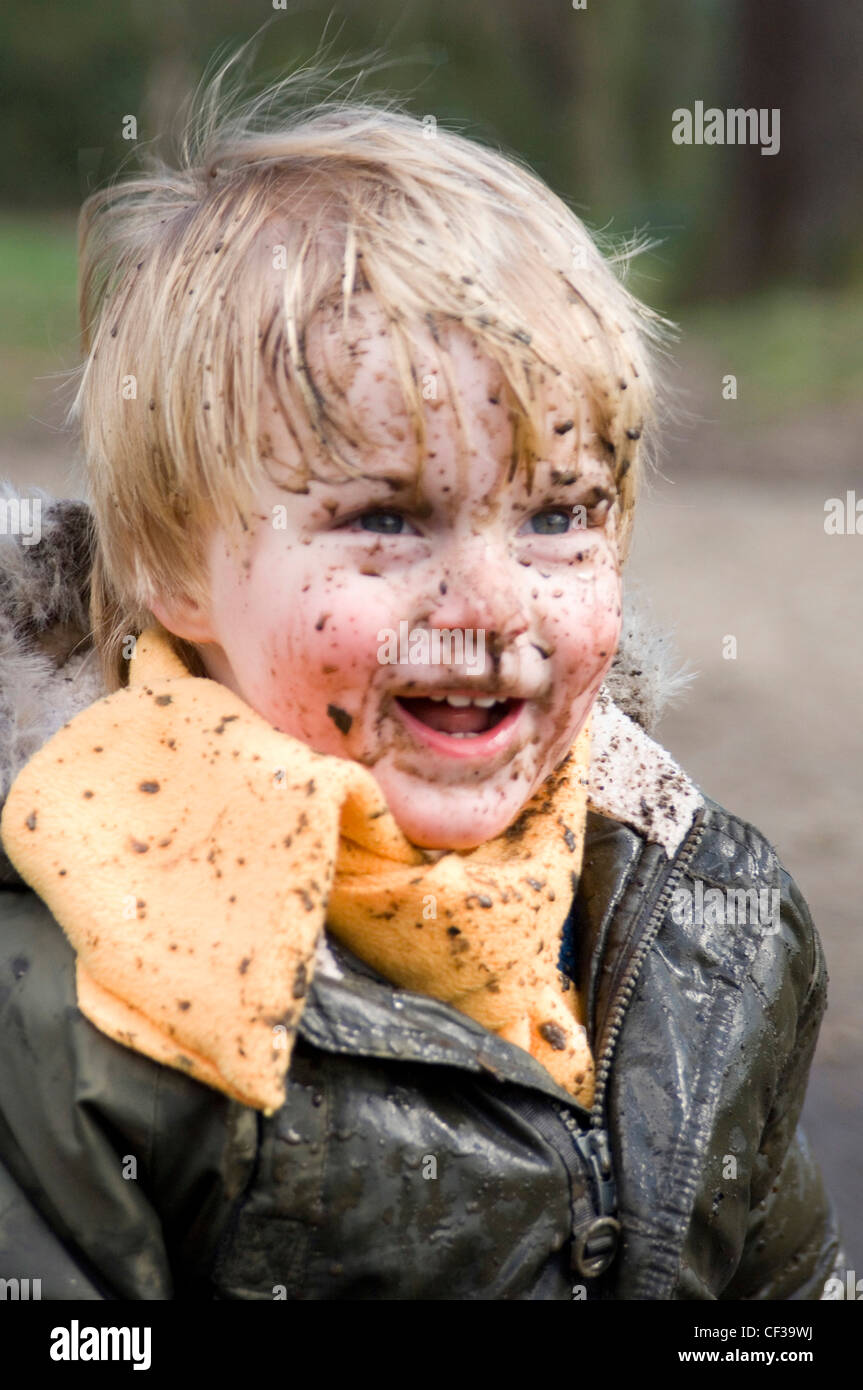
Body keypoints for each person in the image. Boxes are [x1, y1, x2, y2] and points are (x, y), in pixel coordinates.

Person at [0, 48, 845, 1300]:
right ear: (175, 569)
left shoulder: (691, 927)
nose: (493, 605)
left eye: (558, 515)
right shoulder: (82, 1002)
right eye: (387, 520)